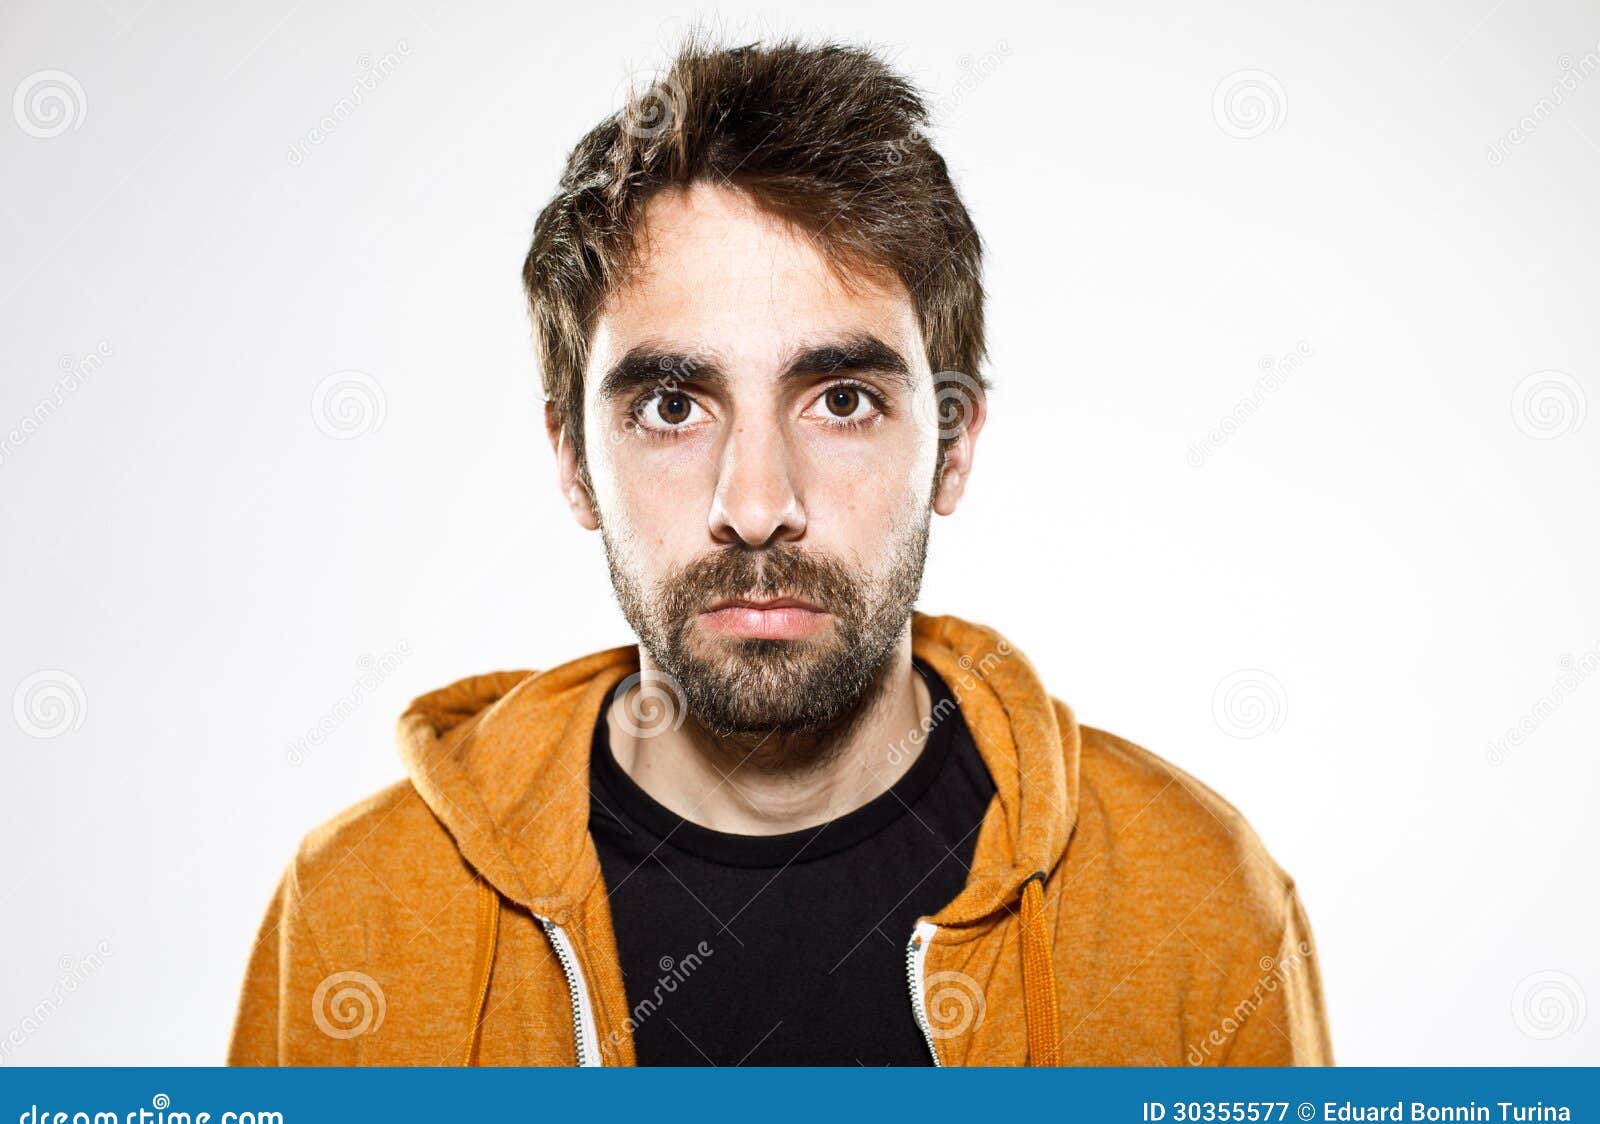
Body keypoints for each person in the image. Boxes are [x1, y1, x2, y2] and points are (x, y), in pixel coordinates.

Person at [228, 36, 1332, 1067]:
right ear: (572, 462)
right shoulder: (360, 909)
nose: (756, 505)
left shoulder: (1198, 898)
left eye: (841, 398)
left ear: (952, 448)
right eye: (671, 405)